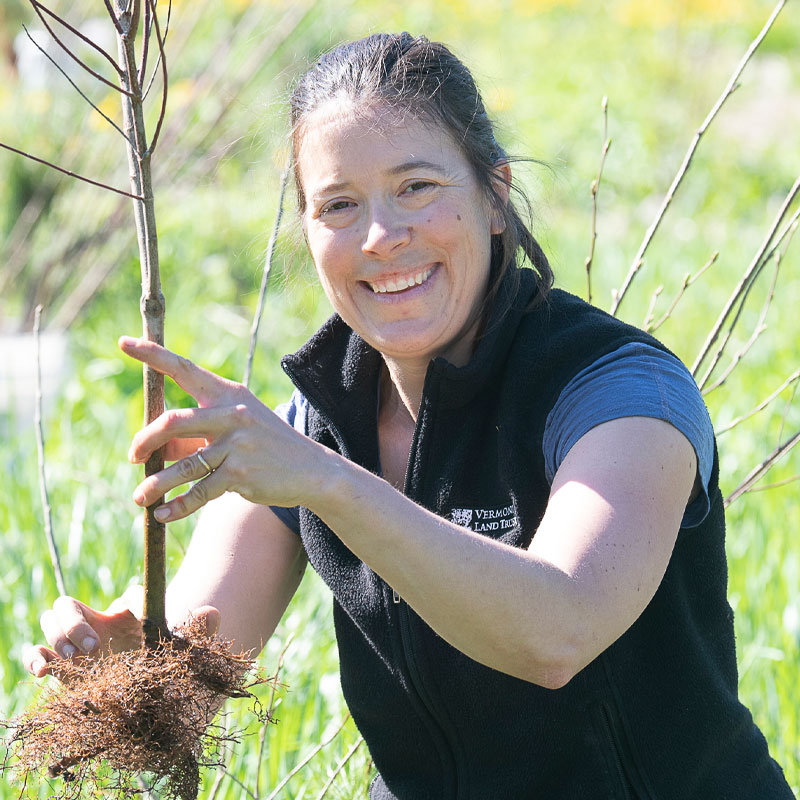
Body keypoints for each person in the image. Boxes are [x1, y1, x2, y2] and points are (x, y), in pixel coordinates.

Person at [24, 33, 792, 800]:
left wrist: (328, 482)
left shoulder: (620, 393)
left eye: (417, 187)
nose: (381, 237)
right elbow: (190, 690)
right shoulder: (315, 426)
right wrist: (125, 668)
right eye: (339, 205)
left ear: (495, 196)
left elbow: (560, 630)